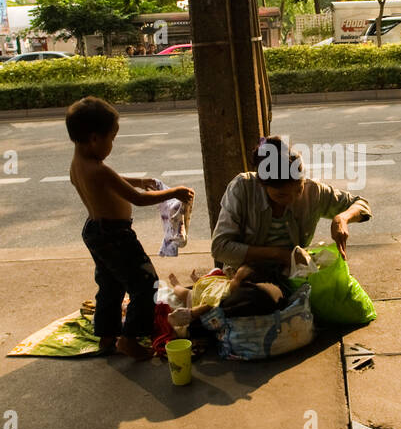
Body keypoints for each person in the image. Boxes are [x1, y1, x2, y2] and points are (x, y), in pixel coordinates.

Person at [66, 96, 195, 360]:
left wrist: (138, 180)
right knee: (145, 285)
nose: (112, 144)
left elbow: (115, 180)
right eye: (111, 138)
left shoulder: (81, 165)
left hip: (96, 231)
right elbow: (139, 199)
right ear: (93, 139)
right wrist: (175, 192)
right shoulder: (98, 170)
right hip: (116, 236)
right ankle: (129, 338)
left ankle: (106, 335)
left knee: (110, 284)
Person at [210, 136, 372, 271]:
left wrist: (342, 219)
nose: (292, 199)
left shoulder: (313, 191)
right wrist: (281, 255)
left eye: (298, 190)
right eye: (281, 195)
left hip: (295, 275)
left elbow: (361, 204)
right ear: (262, 184)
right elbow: (220, 247)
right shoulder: (242, 188)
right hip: (245, 276)